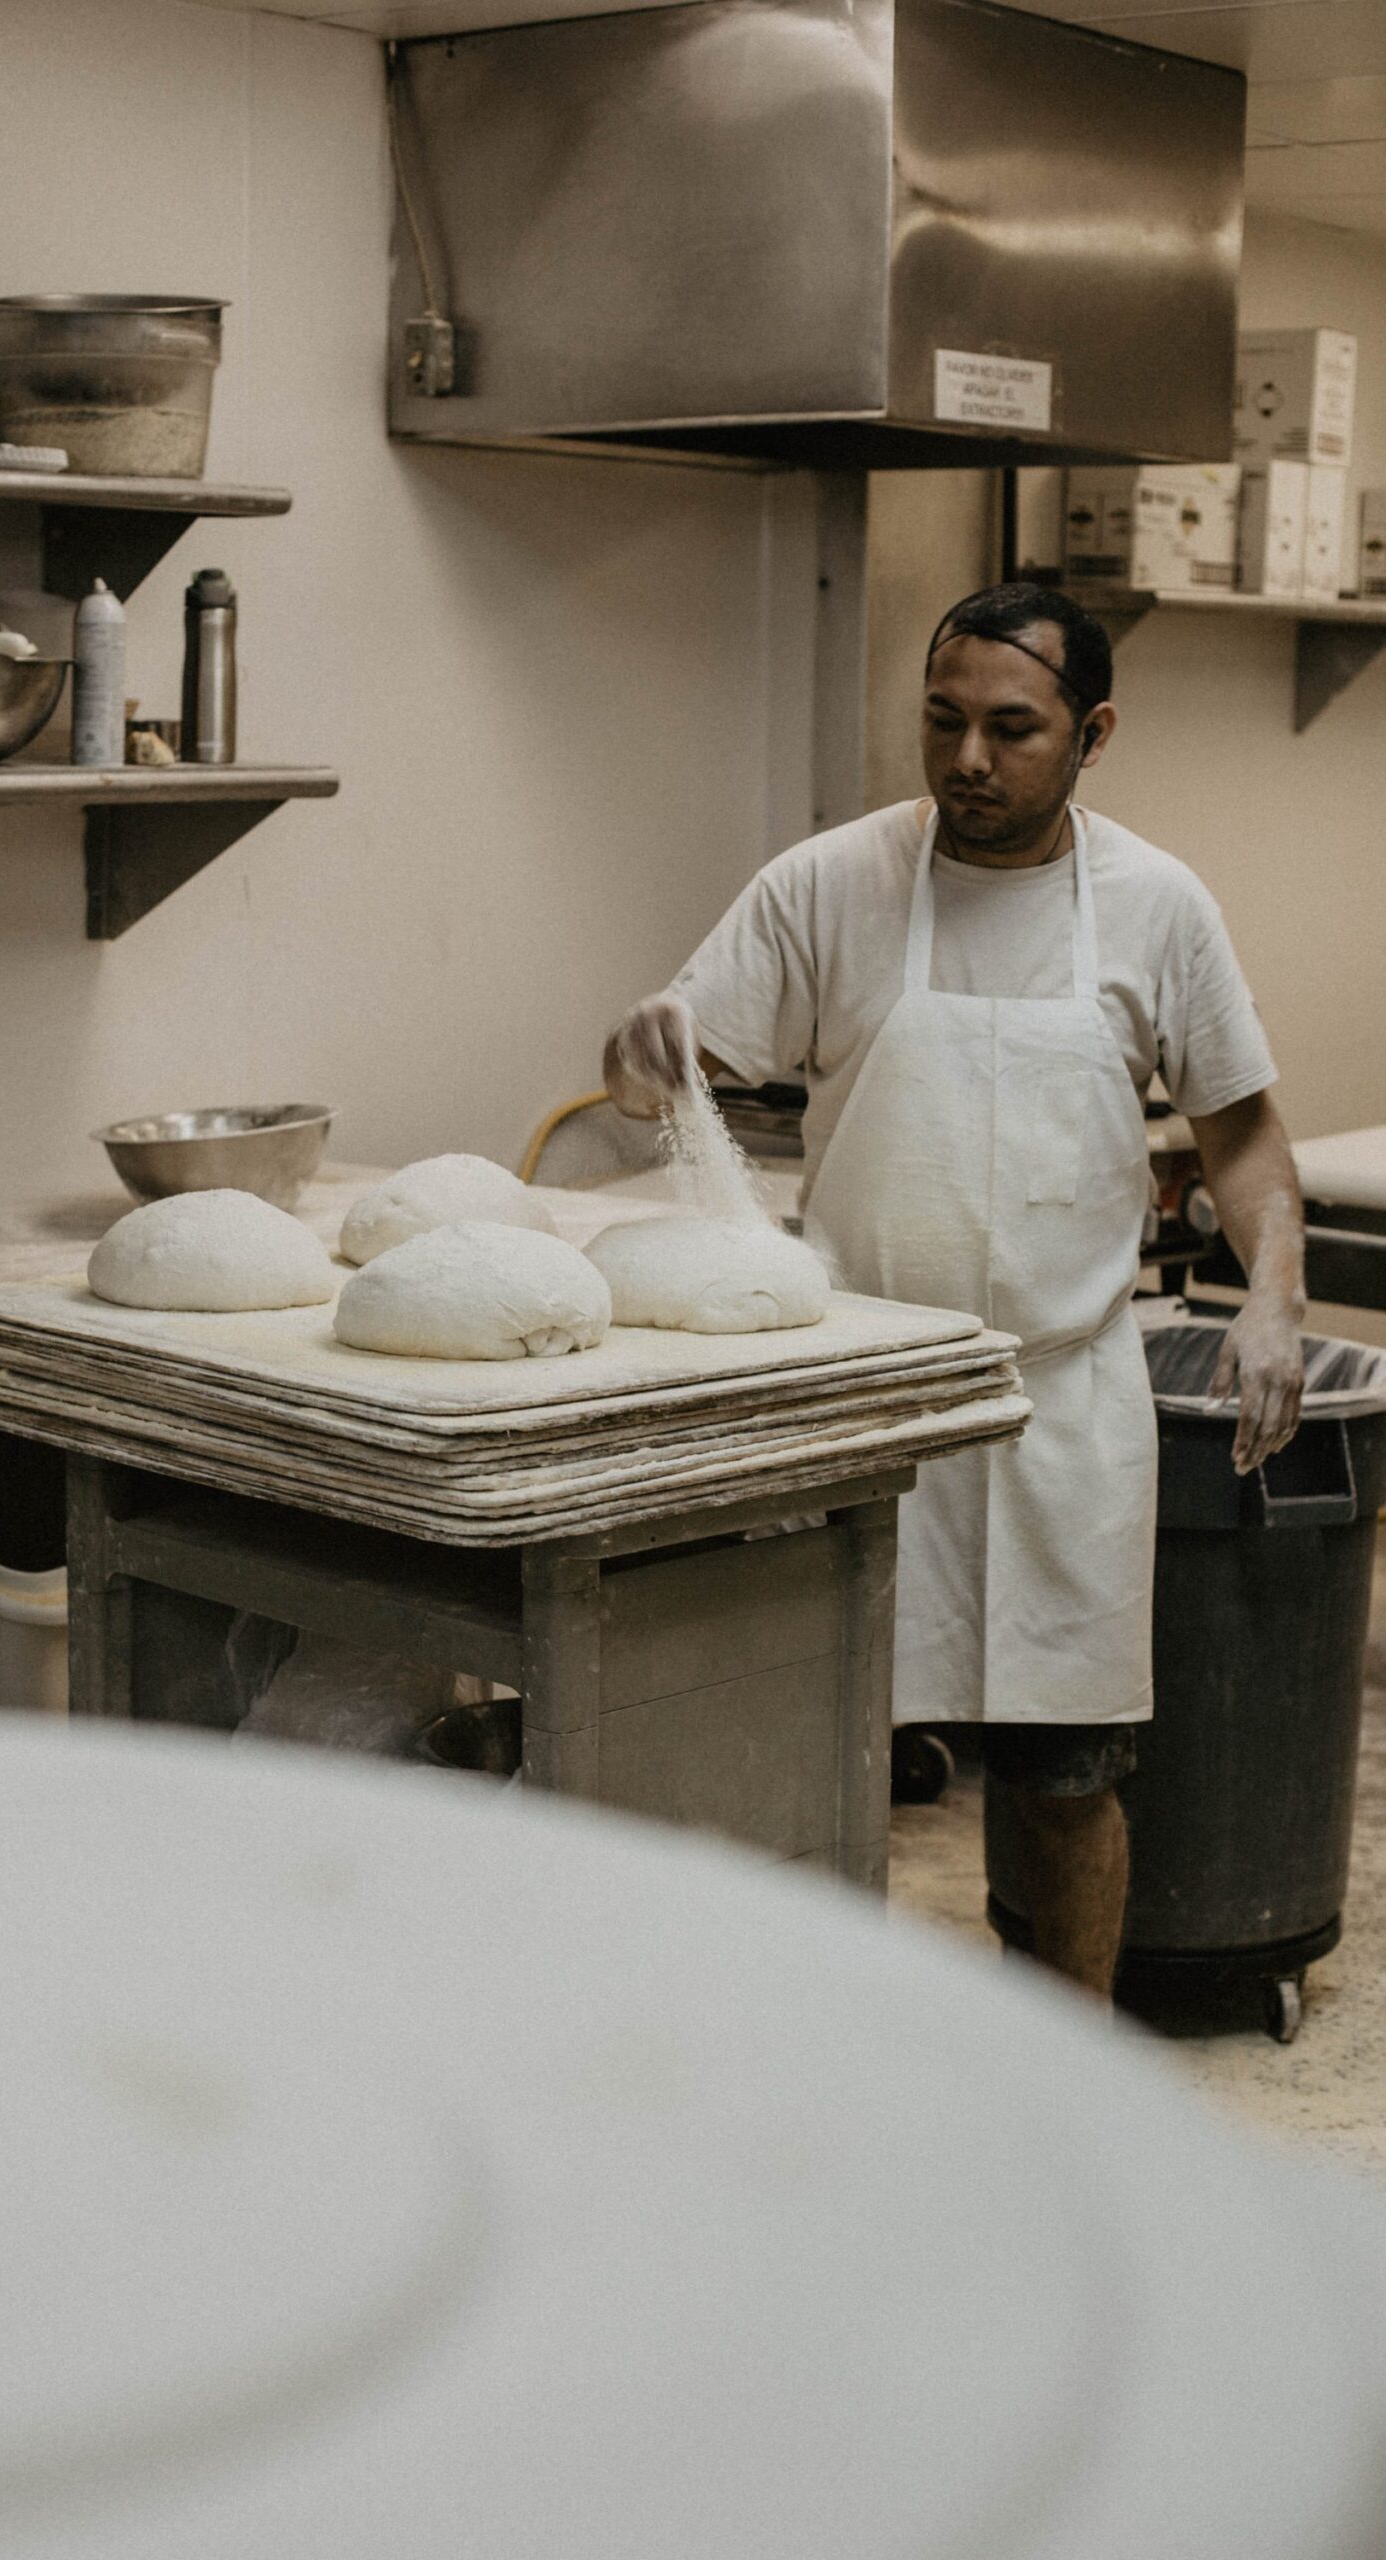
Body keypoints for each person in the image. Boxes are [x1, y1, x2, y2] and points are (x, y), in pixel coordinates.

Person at [604, 582, 1306, 1998]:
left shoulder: (1159, 906)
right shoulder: (829, 884)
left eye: (1011, 729)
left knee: (1067, 1779)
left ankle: (1070, 2059)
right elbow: (664, 1081)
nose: (967, 759)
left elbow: (1240, 1134)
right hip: (863, 1403)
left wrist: (1277, 1294)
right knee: (819, 1765)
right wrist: (639, 1054)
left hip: (1062, 1404)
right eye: (942, 720)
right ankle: (832, 2050)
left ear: (1093, 734)